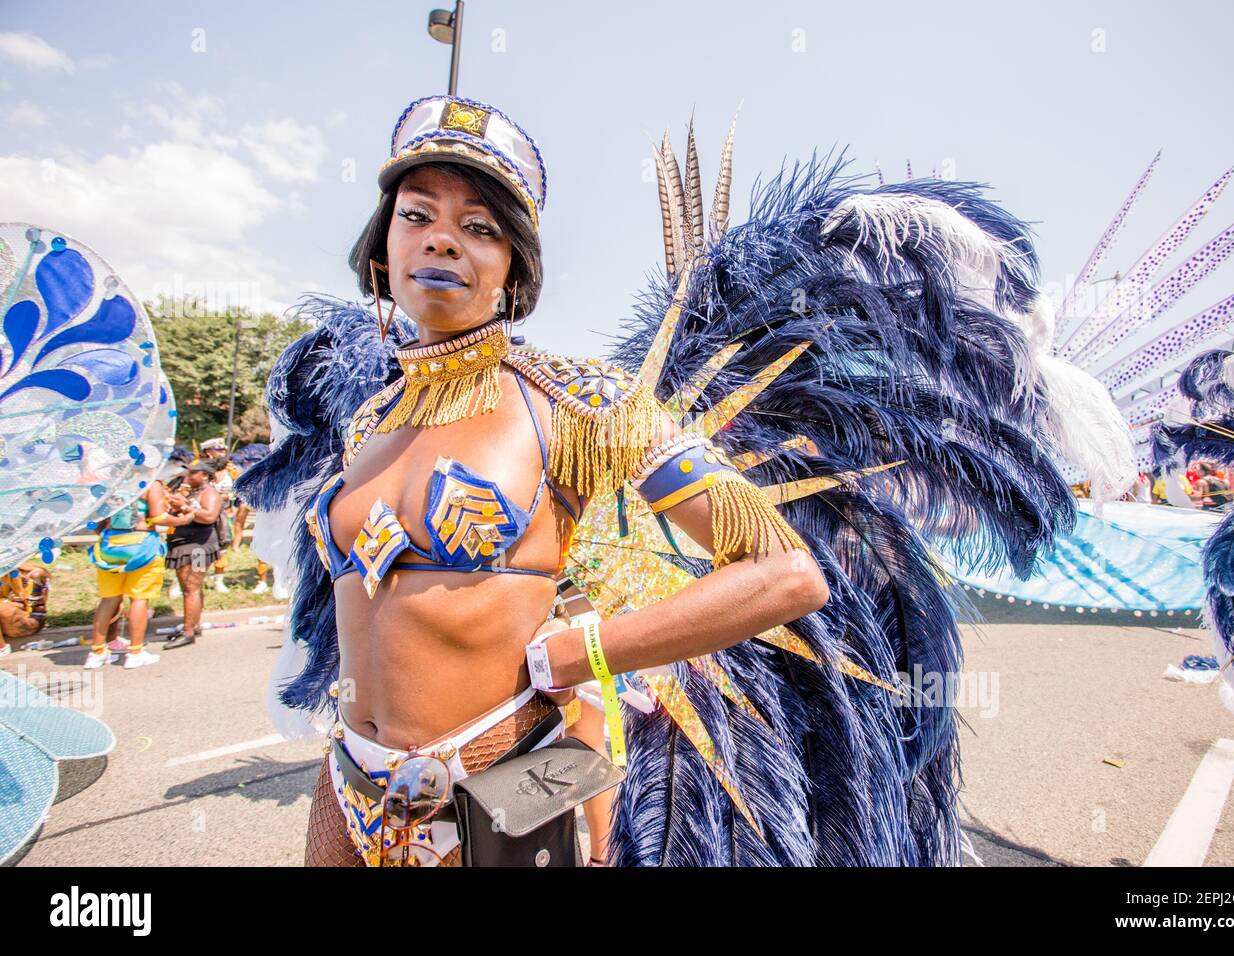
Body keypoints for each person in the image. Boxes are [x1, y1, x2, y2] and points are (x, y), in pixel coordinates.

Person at [237, 95, 1079, 867]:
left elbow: (785, 572)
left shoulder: (577, 403)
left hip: (489, 796)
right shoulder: (366, 422)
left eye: (481, 227)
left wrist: (581, 653)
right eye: (416, 215)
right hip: (347, 785)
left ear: (516, 273)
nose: (442, 238)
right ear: (381, 250)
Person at [85, 480, 191, 669]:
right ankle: (135, 652)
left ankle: (97, 652)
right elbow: (159, 518)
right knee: (139, 599)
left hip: (110, 545)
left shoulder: (111, 482)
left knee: (108, 599)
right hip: (141, 545)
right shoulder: (150, 483)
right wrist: (183, 520)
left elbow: (96, 522)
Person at [163, 461, 223, 650]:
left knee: (191, 587)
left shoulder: (210, 493)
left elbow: (209, 517)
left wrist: (186, 506)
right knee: (190, 587)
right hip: (184, 544)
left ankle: (188, 631)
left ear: (204, 475)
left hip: (198, 547)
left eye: (192, 473)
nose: (187, 476)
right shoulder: (189, 491)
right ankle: (193, 625)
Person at [200, 438, 239, 593]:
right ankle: (194, 580)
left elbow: (239, 489)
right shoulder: (199, 469)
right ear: (208, 452)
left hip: (223, 515)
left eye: (223, 450)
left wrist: (233, 503)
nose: (222, 452)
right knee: (200, 549)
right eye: (218, 449)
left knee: (223, 547)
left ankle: (218, 581)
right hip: (203, 516)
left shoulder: (231, 470)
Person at [0, 564, 49, 657]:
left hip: (29, 620)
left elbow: (32, 606)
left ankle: (1, 647)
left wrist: (10, 601)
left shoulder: (33, 573)